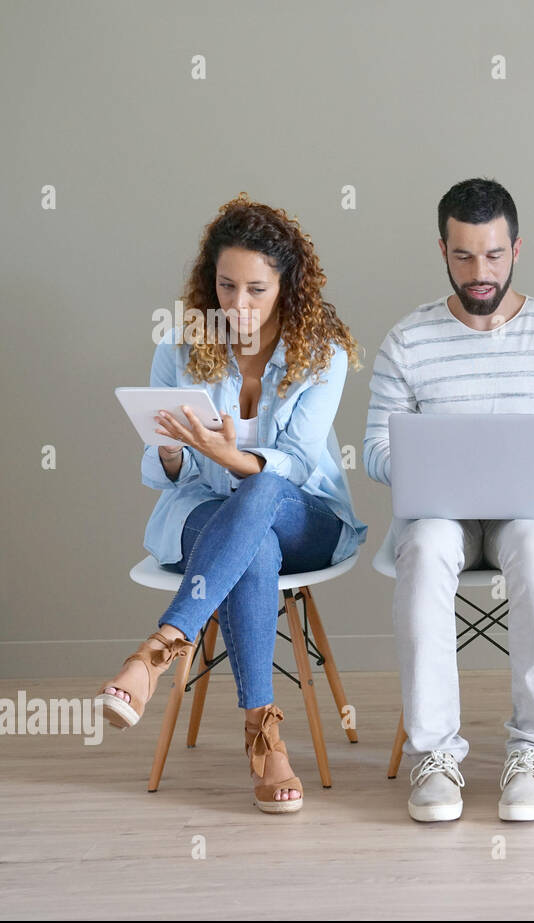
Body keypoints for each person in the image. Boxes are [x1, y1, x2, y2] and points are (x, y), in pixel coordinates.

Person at [95, 193, 367, 814]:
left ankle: (159, 650)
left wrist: (224, 454)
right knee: (254, 548)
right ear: (208, 281)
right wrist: (171, 449)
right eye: (225, 286)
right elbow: (170, 472)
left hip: (306, 514)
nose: (237, 306)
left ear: (286, 288)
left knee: (264, 487)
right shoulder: (182, 343)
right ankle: (265, 738)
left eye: (256, 290)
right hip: (210, 517)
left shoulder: (322, 352)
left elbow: (294, 462)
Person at [365, 178, 534, 824]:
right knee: (426, 543)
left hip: (530, 507)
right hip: (438, 511)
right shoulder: (408, 339)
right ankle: (434, 755)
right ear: (442, 249)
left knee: (531, 546)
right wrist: (419, 465)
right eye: (465, 256)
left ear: (517, 248)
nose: (481, 272)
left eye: (494, 255)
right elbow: (374, 450)